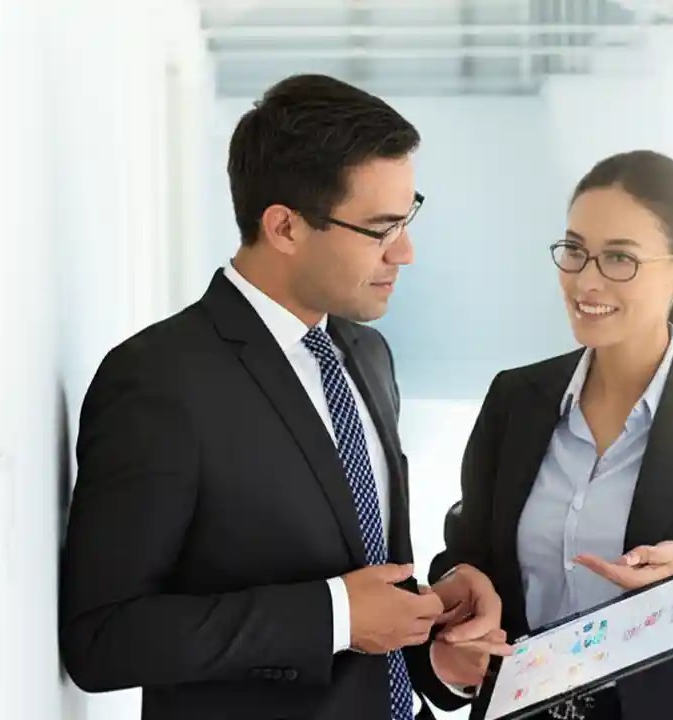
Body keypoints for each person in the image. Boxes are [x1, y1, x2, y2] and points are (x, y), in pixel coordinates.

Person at [59, 74, 507, 720]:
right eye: (380, 229)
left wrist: (435, 640)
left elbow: (365, 596)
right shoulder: (158, 382)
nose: (405, 252)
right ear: (284, 227)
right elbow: (101, 639)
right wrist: (335, 615)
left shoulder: (368, 357)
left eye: (408, 218)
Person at [428, 150, 673, 719]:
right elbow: (466, 560)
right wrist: (456, 610)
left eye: (620, 258)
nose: (586, 280)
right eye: (575, 251)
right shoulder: (515, 399)